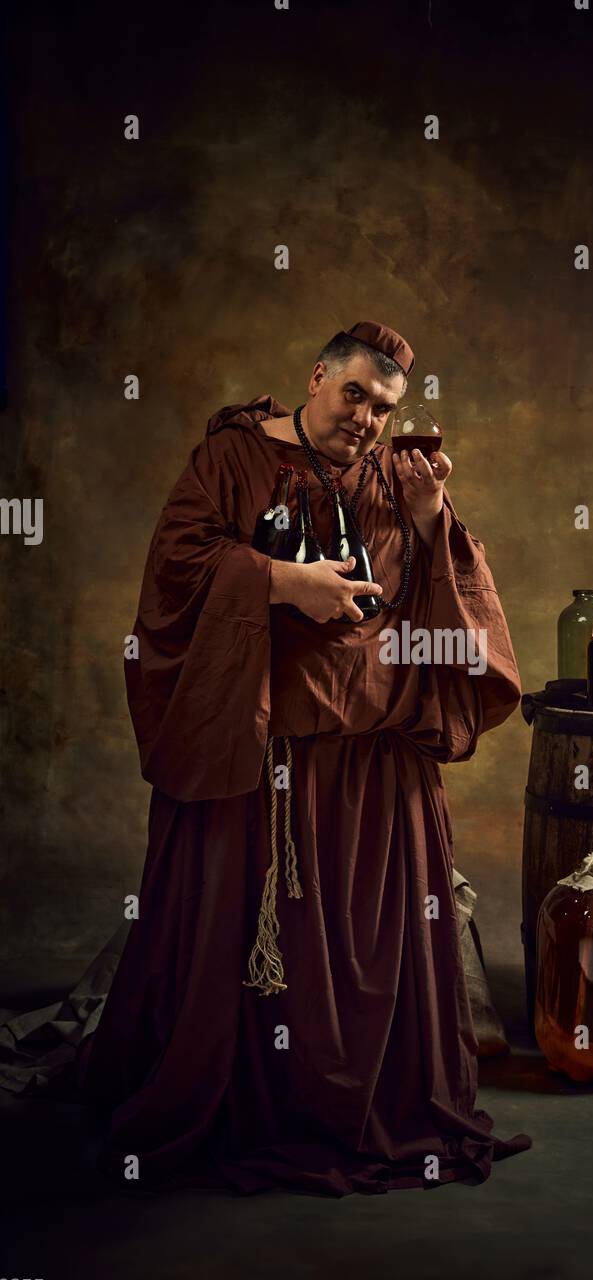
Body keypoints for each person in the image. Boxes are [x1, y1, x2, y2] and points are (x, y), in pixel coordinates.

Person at [77, 319, 532, 1196]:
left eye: (383, 407)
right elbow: (177, 562)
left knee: (368, 965)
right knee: (243, 959)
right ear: (316, 376)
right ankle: (248, 1101)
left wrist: (435, 518)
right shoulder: (233, 458)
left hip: (375, 766)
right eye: (353, 392)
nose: (364, 416)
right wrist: (286, 581)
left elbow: (450, 595)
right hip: (257, 761)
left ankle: (360, 1099)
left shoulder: (400, 476)